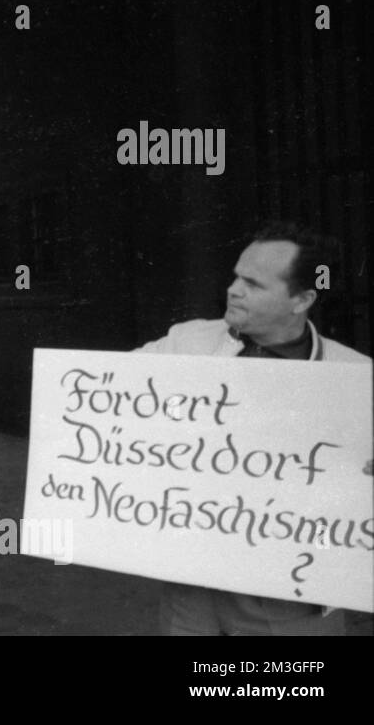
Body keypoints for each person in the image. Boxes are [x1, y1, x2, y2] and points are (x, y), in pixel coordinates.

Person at [138, 221, 369, 635]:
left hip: (292, 597)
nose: (233, 289)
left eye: (253, 284)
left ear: (302, 299)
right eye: (235, 275)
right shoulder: (185, 343)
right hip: (194, 586)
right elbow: (107, 396)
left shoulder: (356, 377)